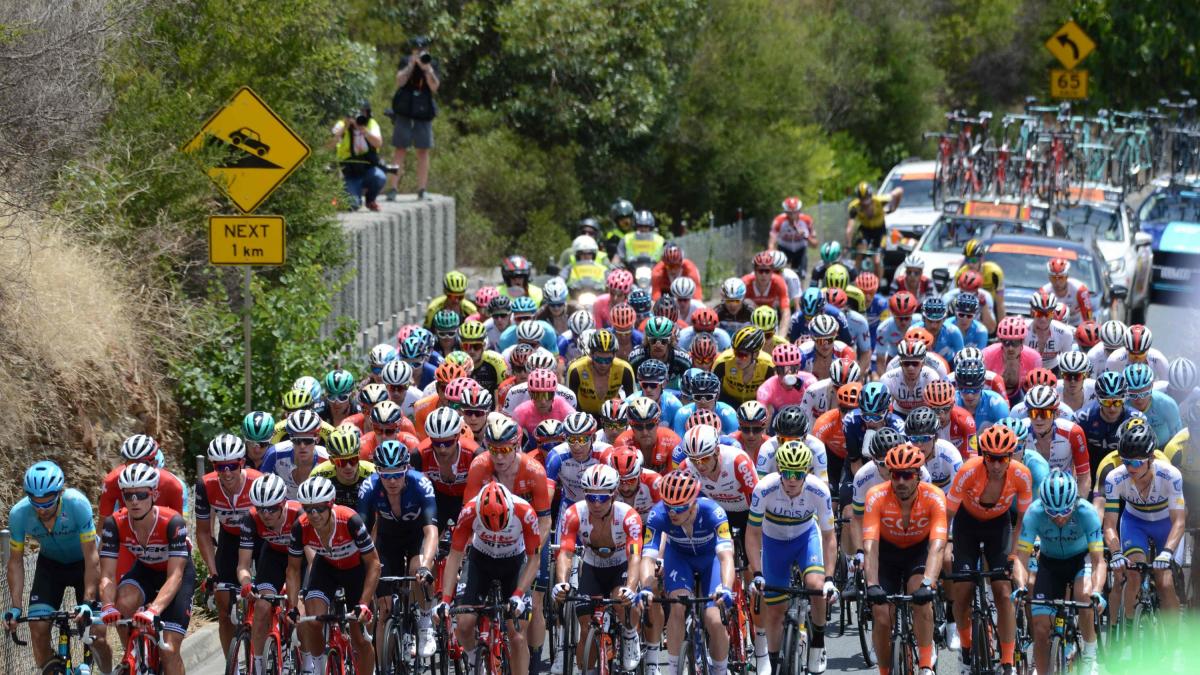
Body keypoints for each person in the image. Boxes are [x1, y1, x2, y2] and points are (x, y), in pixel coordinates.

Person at [5, 462, 112, 674]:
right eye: (36, 504)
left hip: (84, 563)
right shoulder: (19, 514)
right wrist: (16, 607)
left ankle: (108, 672)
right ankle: (52, 668)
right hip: (51, 566)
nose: (42, 510)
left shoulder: (76, 504)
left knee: (96, 634)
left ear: (59, 494)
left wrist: (89, 602)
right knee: (37, 626)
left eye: (48, 503)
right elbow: (15, 562)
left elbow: (92, 557)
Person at [946, 425, 1034, 675]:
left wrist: (1014, 556)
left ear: (1011, 457)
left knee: (1003, 591)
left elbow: (1022, 522)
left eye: (1002, 459)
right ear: (983, 455)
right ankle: (965, 651)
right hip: (967, 525)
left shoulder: (1022, 475)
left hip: (999, 526)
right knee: (962, 591)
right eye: (991, 458)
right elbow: (948, 514)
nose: (996, 465)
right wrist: (947, 543)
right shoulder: (967, 471)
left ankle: (1008, 661)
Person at [746, 441, 838, 675]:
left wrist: (829, 578)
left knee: (816, 586)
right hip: (773, 542)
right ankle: (776, 663)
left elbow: (829, 537)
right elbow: (753, 533)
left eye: (798, 473)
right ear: (778, 470)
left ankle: (818, 642)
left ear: (807, 471)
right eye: (786, 473)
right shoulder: (764, 488)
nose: (792, 479)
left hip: (805, 538)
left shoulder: (819, 490)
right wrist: (757, 573)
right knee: (775, 610)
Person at [98, 464, 196, 675]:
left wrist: (153, 610)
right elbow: (106, 574)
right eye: (128, 495)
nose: (134, 501)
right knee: (122, 603)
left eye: (141, 494)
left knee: (168, 650)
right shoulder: (114, 524)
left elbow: (175, 575)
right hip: (145, 570)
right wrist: (107, 605)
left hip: (176, 576)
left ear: (154, 494)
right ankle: (133, 658)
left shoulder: (172, 522)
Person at [438, 482, 541, 675]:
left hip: (514, 564)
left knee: (517, 636)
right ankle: (473, 658)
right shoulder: (469, 511)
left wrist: (518, 594)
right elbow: (455, 556)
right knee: (463, 624)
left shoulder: (525, 512)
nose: (495, 531)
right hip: (480, 562)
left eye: (501, 527)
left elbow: (534, 559)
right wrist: (445, 599)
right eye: (489, 526)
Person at [862, 444, 948, 675]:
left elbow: (938, 545)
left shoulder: (935, 496)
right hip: (887, 555)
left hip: (917, 552)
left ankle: (926, 664)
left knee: (919, 598)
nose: (901, 481)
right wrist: (872, 584)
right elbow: (870, 545)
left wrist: (928, 584)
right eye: (896, 475)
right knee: (881, 616)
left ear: (918, 475)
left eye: (907, 475)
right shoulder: (876, 496)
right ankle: (884, 670)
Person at [638, 471, 736, 675]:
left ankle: (720, 670)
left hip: (710, 560)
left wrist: (726, 588)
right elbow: (647, 558)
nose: (672, 513)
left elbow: (727, 557)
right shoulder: (658, 514)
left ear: (693, 503)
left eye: (680, 507)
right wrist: (647, 588)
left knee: (713, 618)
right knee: (677, 606)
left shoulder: (713, 512)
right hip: (679, 558)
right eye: (669, 506)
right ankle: (673, 669)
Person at [1011, 469, 1107, 675]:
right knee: (1040, 627)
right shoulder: (1034, 513)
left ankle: (1090, 654)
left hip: (1081, 560)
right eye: (1052, 513)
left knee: (1084, 596)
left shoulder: (1087, 512)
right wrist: (1020, 587)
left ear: (1074, 503)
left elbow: (1099, 560)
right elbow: (1021, 558)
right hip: (1049, 563)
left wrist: (1098, 591)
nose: (1059, 518)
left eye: (1064, 511)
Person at [552, 465, 645, 672]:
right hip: (592, 568)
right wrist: (562, 584)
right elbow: (566, 553)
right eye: (590, 497)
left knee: (622, 602)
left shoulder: (628, 516)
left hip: (620, 566)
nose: (595, 503)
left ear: (613, 495)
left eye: (602, 498)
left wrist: (630, 587)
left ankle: (630, 634)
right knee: (585, 627)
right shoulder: (574, 513)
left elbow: (635, 556)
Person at [1103, 420, 1186, 646]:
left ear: (1150, 459)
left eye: (1137, 462)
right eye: (1126, 461)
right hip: (1135, 522)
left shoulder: (1171, 475)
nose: (1131, 467)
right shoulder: (1115, 478)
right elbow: (1110, 523)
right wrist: (1116, 552)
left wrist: (1167, 552)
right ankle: (1129, 632)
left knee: (1165, 582)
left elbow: (1179, 520)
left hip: (1165, 524)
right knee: (1133, 573)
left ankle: (1173, 645)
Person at [288, 477, 380, 675]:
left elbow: (373, 563)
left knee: (359, 638)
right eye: (308, 508)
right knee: (313, 621)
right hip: (326, 568)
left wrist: (363, 603)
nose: (314, 514)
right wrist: (293, 606)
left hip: (355, 570)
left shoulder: (350, 520)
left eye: (320, 508)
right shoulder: (300, 527)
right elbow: (293, 569)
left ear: (330, 504)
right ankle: (319, 669)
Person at [356, 441, 439, 658]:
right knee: (384, 610)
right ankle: (382, 663)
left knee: (417, 569)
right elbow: (361, 530)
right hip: (387, 540)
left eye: (397, 474)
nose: (392, 481)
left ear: (407, 470)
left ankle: (424, 622)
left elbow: (431, 531)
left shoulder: (421, 483)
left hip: (416, 537)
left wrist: (426, 566)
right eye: (386, 475)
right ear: (378, 472)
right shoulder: (369, 487)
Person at [235, 474, 302, 675]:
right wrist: (247, 584)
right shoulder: (251, 518)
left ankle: (308, 663)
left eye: (272, 508)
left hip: (300, 560)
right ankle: (257, 665)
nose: (266, 514)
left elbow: (312, 558)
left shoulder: (299, 515)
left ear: (283, 503)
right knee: (262, 606)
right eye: (261, 509)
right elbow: (243, 565)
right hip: (273, 555)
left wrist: (300, 595)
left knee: (301, 609)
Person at [386, 35, 440, 201]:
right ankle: (392, 188)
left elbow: (434, 87)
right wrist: (411, 65)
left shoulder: (432, 63)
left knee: (423, 150)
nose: (420, 53)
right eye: (417, 50)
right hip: (405, 110)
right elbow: (400, 82)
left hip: (423, 111)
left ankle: (422, 189)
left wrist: (427, 69)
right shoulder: (406, 61)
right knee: (400, 149)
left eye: (422, 50)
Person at [332, 101, 386, 211]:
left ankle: (370, 200)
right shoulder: (342, 124)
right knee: (352, 205)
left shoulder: (371, 124)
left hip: (368, 170)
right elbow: (329, 145)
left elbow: (378, 143)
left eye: (363, 112)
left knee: (380, 177)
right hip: (351, 173)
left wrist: (363, 130)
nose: (359, 115)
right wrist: (345, 127)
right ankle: (346, 194)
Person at [845, 181, 903, 274]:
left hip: (880, 231)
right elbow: (850, 227)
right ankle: (854, 278)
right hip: (865, 230)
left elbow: (899, 190)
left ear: (871, 197)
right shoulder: (854, 206)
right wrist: (848, 244)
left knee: (877, 260)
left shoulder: (880, 200)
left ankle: (878, 285)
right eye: (862, 202)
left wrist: (893, 207)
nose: (865, 205)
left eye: (867, 202)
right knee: (859, 253)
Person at [767, 196, 818, 281]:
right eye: (789, 213)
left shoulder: (807, 221)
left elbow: (815, 244)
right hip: (784, 249)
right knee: (780, 275)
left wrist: (805, 236)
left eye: (795, 212)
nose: (792, 216)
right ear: (785, 212)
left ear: (799, 211)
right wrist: (772, 253)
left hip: (800, 250)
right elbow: (771, 242)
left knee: (800, 277)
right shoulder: (779, 221)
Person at [1040, 258, 1093, 327]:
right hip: (1053, 326)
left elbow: (1088, 316)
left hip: (1076, 325)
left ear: (1067, 276)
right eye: (1053, 278)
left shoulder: (1080, 290)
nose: (1057, 282)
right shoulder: (1044, 292)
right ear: (1049, 278)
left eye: (1061, 277)